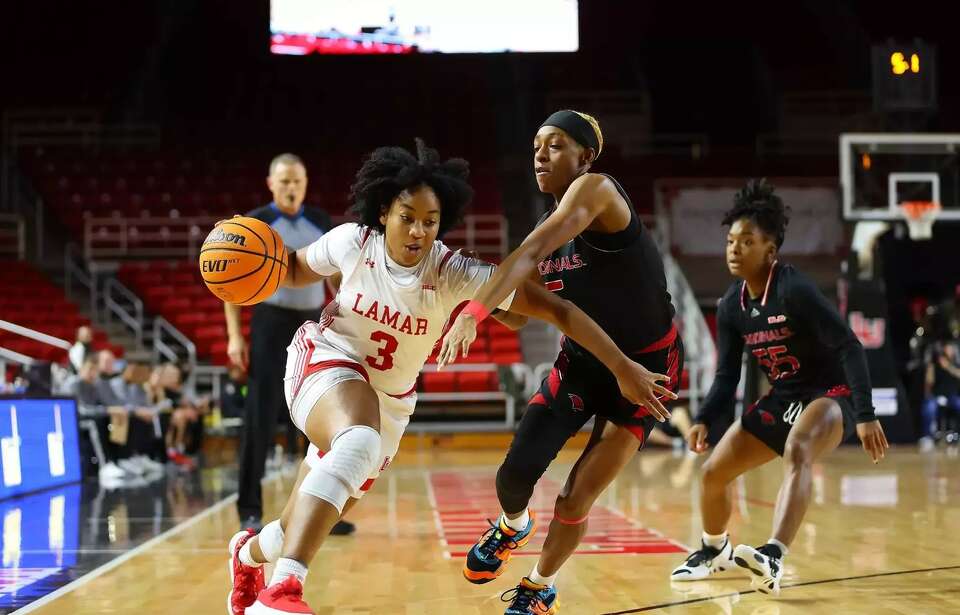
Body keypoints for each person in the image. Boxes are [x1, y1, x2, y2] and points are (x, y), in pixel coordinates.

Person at [225, 139, 672, 615]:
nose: (418, 230)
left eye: (430, 220)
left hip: (389, 403)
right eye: (406, 216)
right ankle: (282, 592)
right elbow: (292, 269)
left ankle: (248, 555)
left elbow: (557, 311)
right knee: (357, 443)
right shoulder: (354, 242)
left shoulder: (453, 272)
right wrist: (247, 269)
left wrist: (622, 366)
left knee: (309, 514)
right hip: (327, 360)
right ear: (383, 212)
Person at [438, 110, 680, 615]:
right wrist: (455, 291)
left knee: (575, 499)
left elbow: (528, 253)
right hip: (583, 363)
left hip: (644, 371)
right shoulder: (544, 233)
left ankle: (539, 585)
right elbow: (525, 314)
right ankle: (511, 525)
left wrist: (475, 312)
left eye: (553, 144)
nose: (539, 156)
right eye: (534, 147)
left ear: (585, 155)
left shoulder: (597, 190)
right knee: (512, 476)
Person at [668, 179, 888, 596]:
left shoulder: (794, 289)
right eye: (731, 240)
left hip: (830, 392)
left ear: (770, 252)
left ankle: (772, 554)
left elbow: (849, 344)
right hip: (785, 396)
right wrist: (704, 417)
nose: (734, 249)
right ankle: (714, 550)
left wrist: (865, 414)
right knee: (714, 473)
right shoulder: (733, 305)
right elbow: (726, 375)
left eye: (746, 241)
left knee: (798, 448)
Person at [222, 153, 353, 534]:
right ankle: (249, 509)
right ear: (271, 184)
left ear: (305, 182)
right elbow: (231, 283)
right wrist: (234, 335)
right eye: (284, 181)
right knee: (259, 416)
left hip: (313, 322)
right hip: (270, 321)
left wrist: (343, 303)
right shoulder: (256, 222)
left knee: (320, 419)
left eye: (297, 180)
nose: (291, 187)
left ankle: (320, 512)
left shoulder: (320, 221)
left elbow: (332, 275)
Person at [920, 338, 960, 447]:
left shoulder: (956, 364)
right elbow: (929, 382)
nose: (949, 350)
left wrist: (948, 367)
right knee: (929, 407)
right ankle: (927, 436)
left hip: (952, 396)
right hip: (937, 396)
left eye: (951, 348)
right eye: (947, 347)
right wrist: (931, 367)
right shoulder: (935, 364)